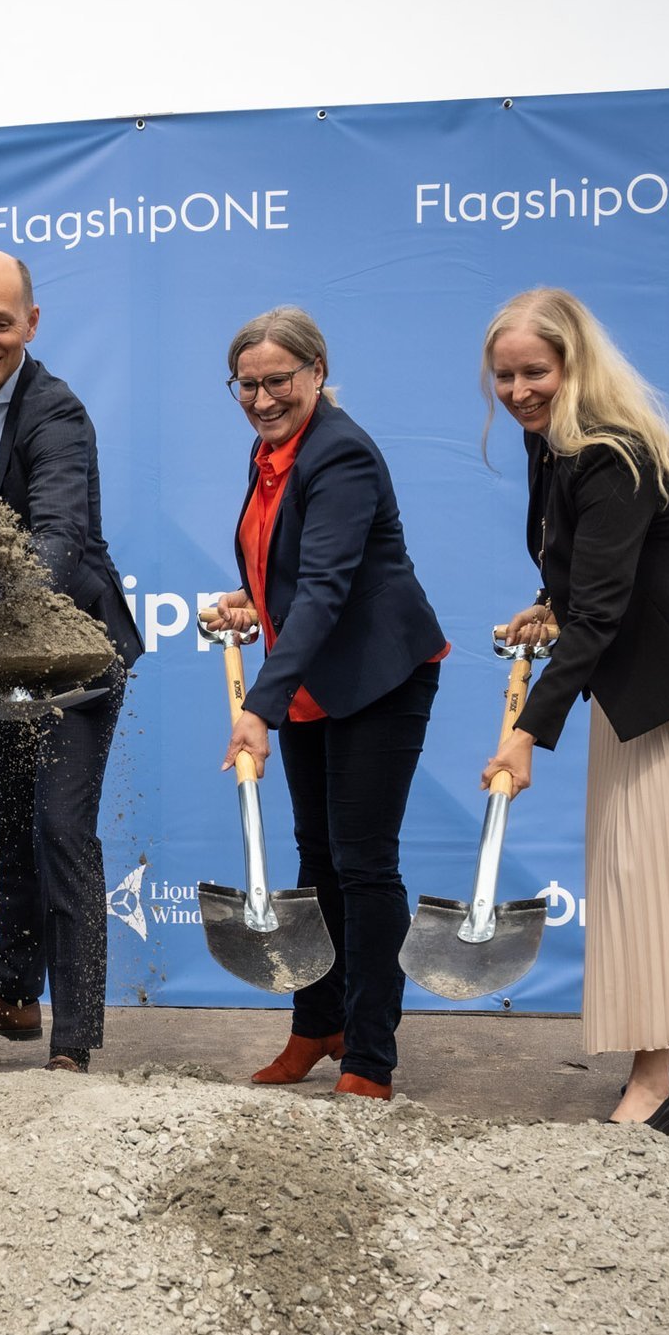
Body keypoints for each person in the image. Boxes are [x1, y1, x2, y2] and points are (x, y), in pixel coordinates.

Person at [477, 287, 669, 1134]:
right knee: (636, 871)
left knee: (654, 877)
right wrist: (550, 600)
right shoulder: (553, 446)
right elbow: (586, 573)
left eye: (534, 371)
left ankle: (656, 1080)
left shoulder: (614, 453)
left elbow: (606, 612)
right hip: (632, 684)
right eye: (503, 376)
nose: (518, 391)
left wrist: (526, 733)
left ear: (573, 365)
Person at [0, 251, 145, 1072]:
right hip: (5, 645)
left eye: (1, 323)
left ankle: (74, 1044)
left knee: (60, 826)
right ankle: (12, 996)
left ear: (32, 325)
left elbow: (57, 536)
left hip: (80, 644)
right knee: (13, 822)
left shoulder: (58, 414)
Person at [214, 307, 446, 1101]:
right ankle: (317, 1025)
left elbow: (325, 588)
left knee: (364, 863)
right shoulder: (270, 449)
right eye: (247, 384)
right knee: (317, 860)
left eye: (279, 380)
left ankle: (370, 1057)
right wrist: (249, 597)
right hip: (313, 676)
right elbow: (282, 560)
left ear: (316, 371)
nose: (262, 396)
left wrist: (262, 708)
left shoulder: (339, 451)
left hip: (379, 676)